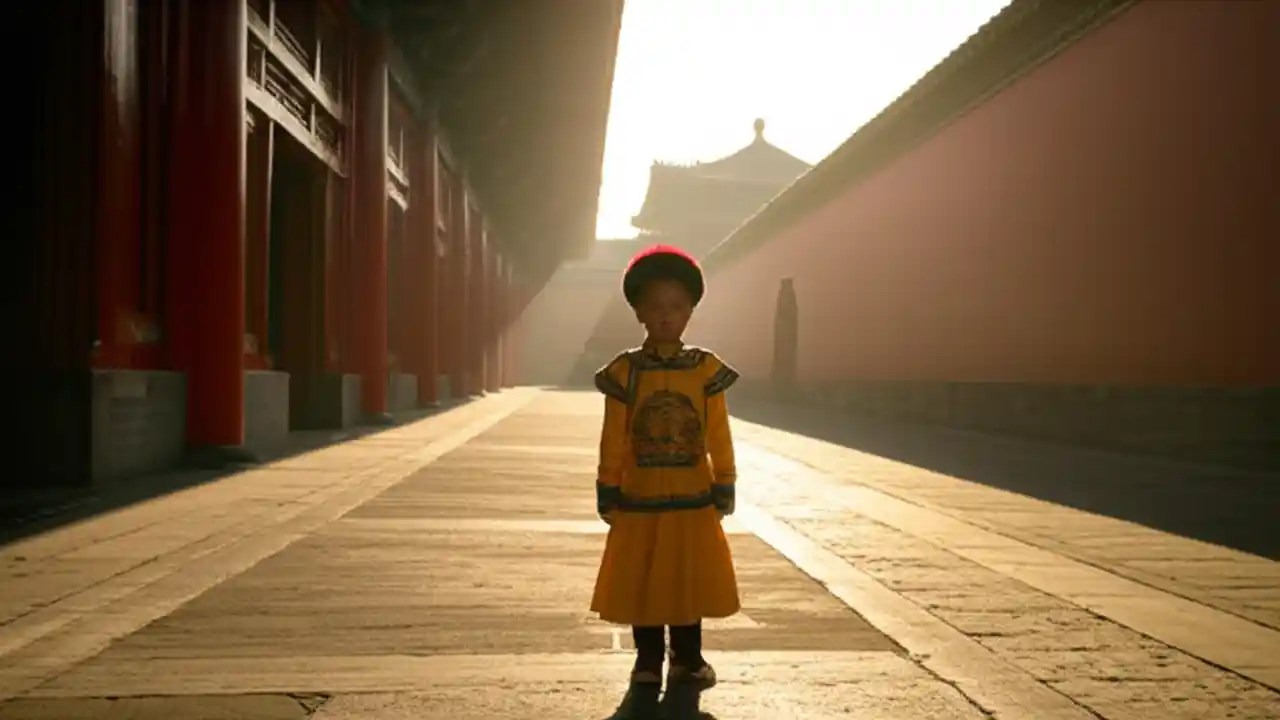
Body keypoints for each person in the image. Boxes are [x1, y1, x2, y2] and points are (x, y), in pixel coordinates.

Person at [590, 244, 741, 718]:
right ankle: (648, 661)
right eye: (656, 306)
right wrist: (607, 484)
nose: (666, 316)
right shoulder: (625, 371)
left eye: (676, 307)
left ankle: (687, 660)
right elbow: (614, 434)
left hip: (694, 493)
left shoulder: (704, 369)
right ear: (638, 310)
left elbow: (718, 430)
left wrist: (726, 479)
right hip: (639, 495)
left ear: (691, 310)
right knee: (645, 576)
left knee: (686, 576)